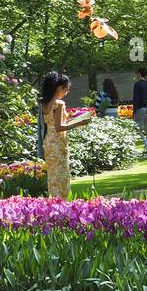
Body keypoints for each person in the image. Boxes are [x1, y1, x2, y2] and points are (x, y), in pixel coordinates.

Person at [39, 71, 93, 199]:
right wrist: (79, 122)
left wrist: (72, 120)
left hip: (49, 142)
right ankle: (63, 202)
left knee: (53, 175)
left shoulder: (45, 104)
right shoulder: (59, 104)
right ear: (59, 88)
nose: (67, 92)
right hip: (58, 142)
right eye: (66, 89)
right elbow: (59, 127)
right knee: (62, 174)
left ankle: (53, 201)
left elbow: (54, 124)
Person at [132, 66, 147, 151]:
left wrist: (134, 110)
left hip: (140, 107)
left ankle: (145, 141)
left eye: (137, 73)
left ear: (139, 73)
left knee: (135, 126)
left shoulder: (137, 84)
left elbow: (136, 98)